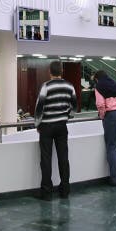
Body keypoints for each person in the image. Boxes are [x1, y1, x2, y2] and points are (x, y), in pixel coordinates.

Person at [34, 61, 78, 200]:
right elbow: (74, 107)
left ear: (50, 71)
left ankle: (47, 192)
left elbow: (39, 107)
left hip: (46, 126)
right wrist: (67, 117)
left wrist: (37, 125)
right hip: (61, 126)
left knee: (46, 159)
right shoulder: (69, 86)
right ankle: (65, 190)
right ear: (62, 71)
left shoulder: (46, 86)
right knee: (63, 158)